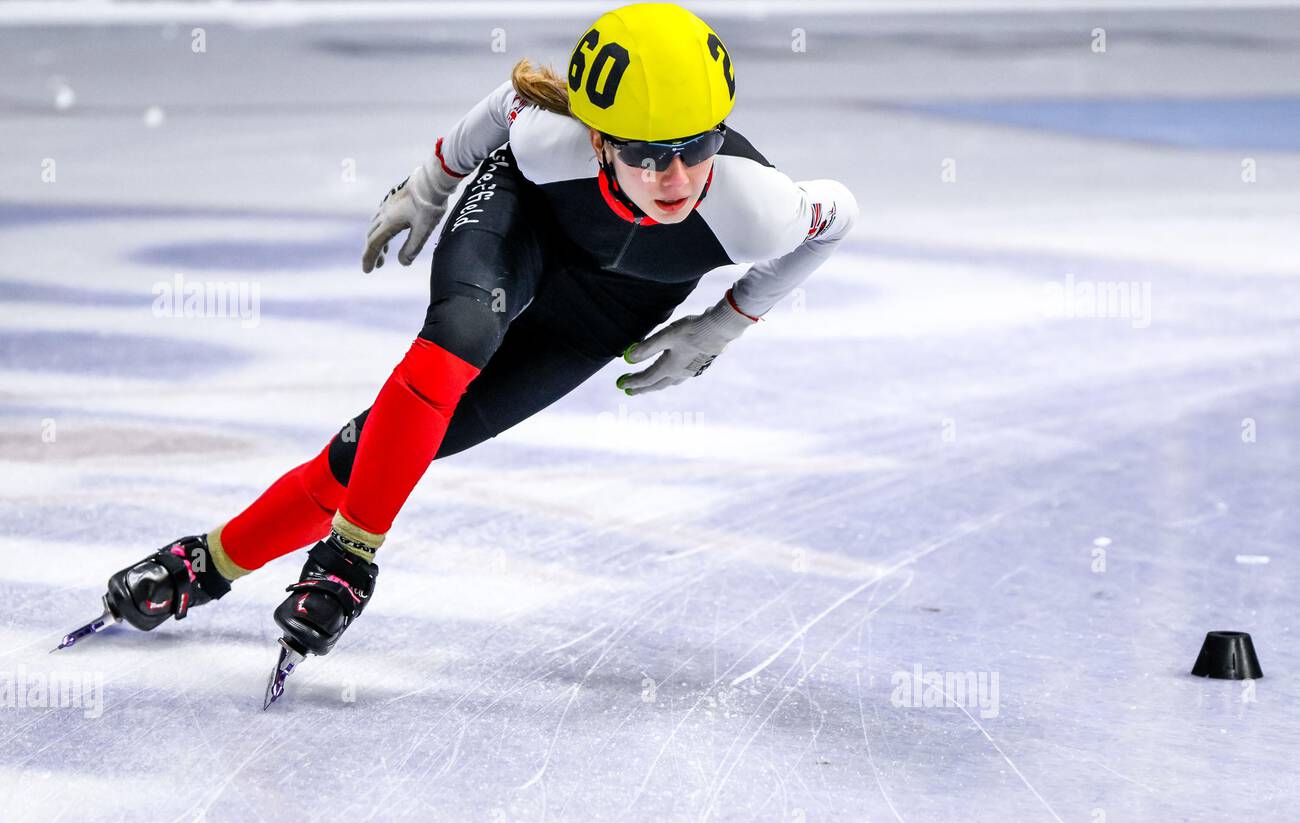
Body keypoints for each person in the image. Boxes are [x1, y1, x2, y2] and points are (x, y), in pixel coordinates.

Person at [70, 2, 858, 704]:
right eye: (648, 154)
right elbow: (514, 100)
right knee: (460, 335)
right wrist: (430, 183)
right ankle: (350, 561)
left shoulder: (758, 207)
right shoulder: (553, 142)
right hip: (523, 223)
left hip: (604, 308)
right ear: (597, 137)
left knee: (385, 446)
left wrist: (725, 321)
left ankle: (204, 565)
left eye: (697, 146)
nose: (676, 176)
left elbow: (838, 217)